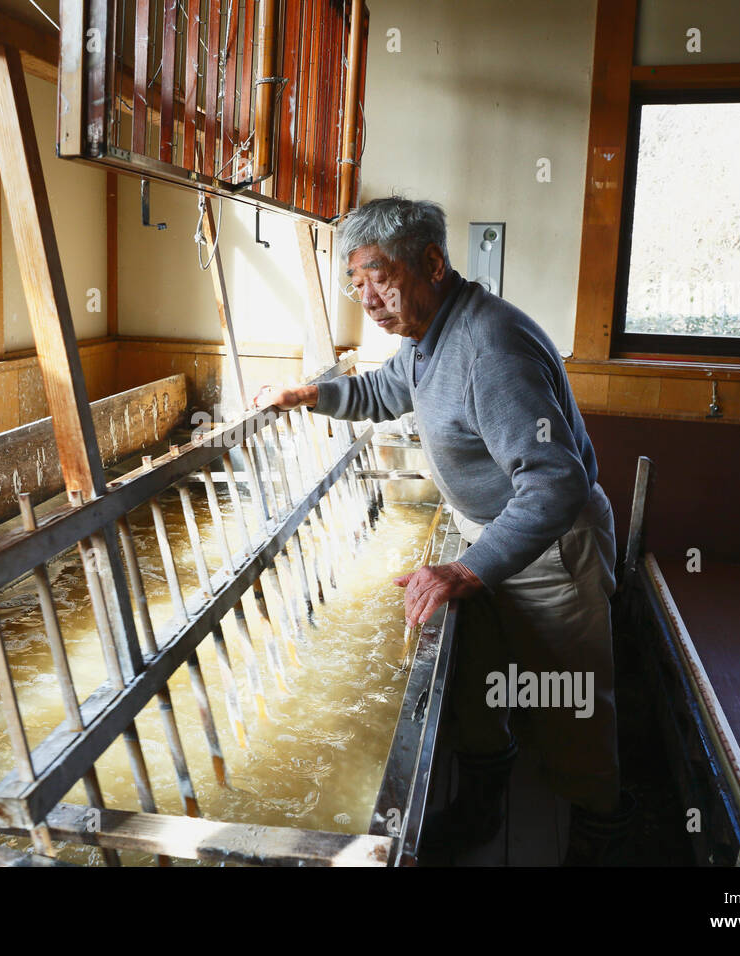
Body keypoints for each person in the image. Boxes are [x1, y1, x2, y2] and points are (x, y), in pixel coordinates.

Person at [252, 196, 633, 865]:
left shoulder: (489, 348)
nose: (367, 297)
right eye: (356, 282)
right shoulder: (428, 338)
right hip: (485, 535)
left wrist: (463, 569)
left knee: (571, 703)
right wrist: (309, 394)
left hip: (548, 550)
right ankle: (485, 803)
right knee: (480, 681)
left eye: (380, 277)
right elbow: (383, 392)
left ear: (431, 263)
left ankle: (598, 833)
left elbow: (554, 482)